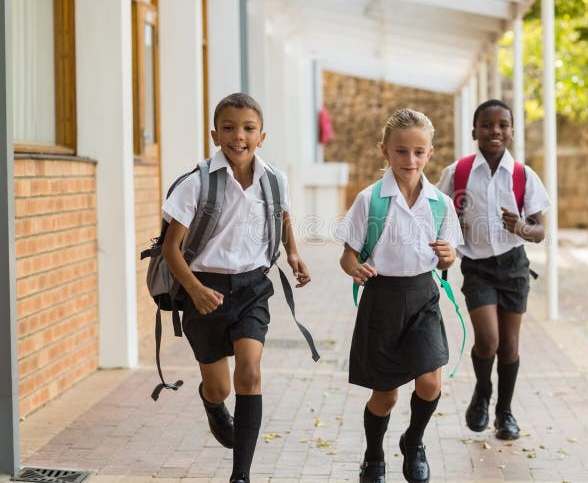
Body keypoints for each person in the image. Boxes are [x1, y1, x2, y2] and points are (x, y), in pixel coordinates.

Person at [161, 93, 311, 483]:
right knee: (220, 386)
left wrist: (293, 253)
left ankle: (240, 474)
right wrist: (194, 290)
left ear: (262, 136)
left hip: (252, 288)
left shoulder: (273, 178)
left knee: (250, 372)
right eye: (228, 128)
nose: (238, 136)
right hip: (204, 291)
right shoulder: (197, 184)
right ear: (215, 134)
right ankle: (212, 405)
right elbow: (170, 249)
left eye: (248, 128)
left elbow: (283, 214)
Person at [335, 109, 463, 483]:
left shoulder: (440, 202)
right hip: (382, 300)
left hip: (423, 296)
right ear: (385, 151)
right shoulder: (370, 200)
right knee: (386, 396)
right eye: (401, 151)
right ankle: (374, 456)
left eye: (419, 152)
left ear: (430, 153)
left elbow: (451, 253)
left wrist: (448, 256)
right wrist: (353, 267)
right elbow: (347, 255)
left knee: (430, 383)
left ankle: (414, 442)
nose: (411, 160)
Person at [437, 99, 550, 441]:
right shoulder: (457, 173)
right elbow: (440, 215)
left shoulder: (523, 176)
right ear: (475, 131)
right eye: (487, 125)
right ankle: (483, 391)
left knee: (510, 346)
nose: (495, 131)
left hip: (514, 267)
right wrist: (448, 244)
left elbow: (540, 231)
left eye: (502, 125)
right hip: (478, 268)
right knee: (488, 339)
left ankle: (505, 411)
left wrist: (520, 228)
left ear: (512, 132)